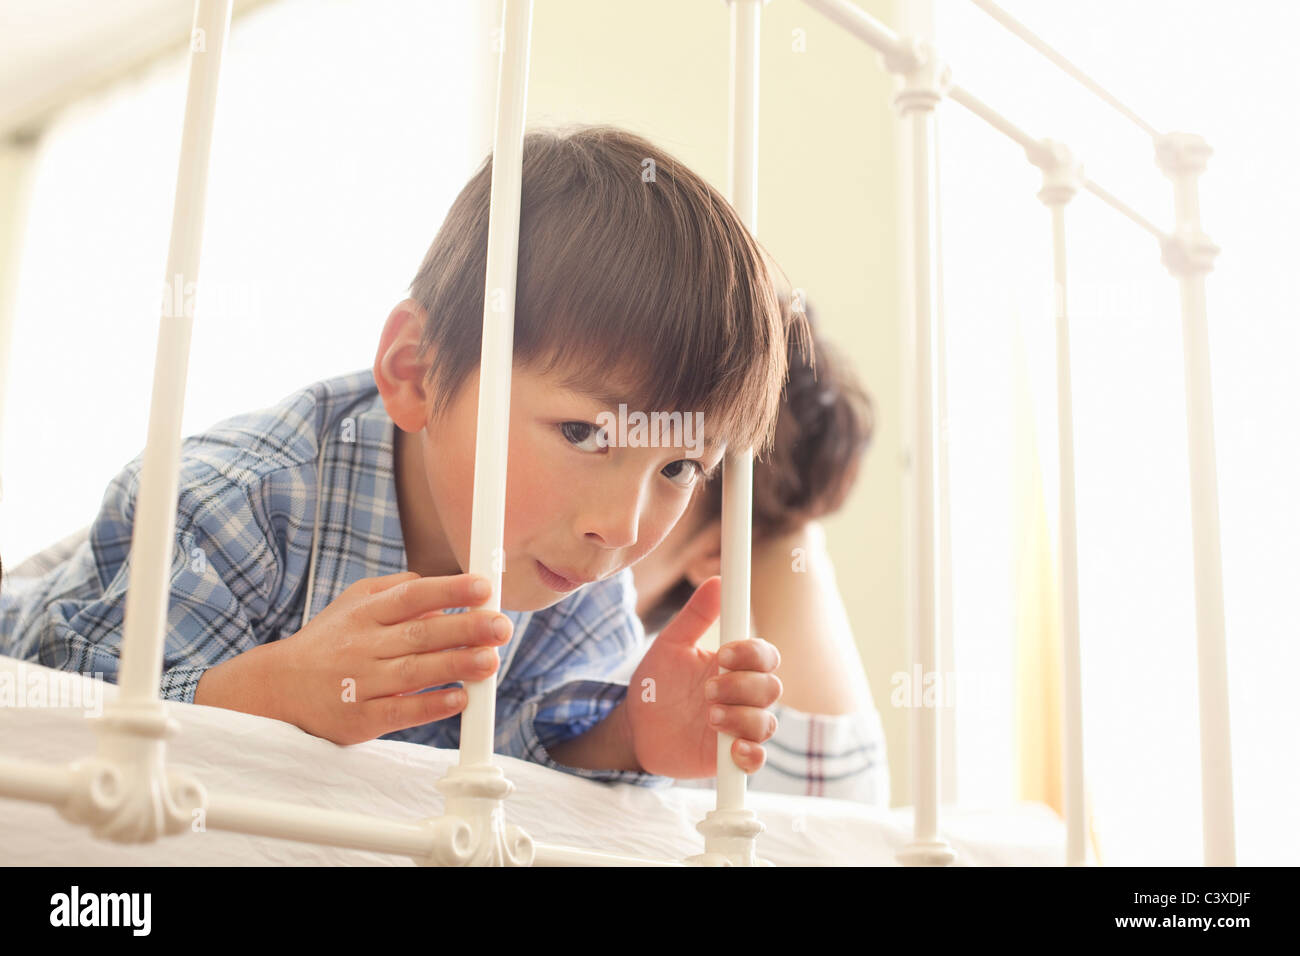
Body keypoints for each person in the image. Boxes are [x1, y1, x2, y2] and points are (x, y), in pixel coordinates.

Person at [0, 123, 812, 788]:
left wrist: (633, 734)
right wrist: (272, 691)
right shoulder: (242, 500)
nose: (620, 526)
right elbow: (57, 701)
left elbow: (530, 748)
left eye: (677, 468)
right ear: (414, 372)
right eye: (584, 434)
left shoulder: (577, 580)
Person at [627, 305, 890, 804]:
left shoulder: (686, 720)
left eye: (675, 469)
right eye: (583, 432)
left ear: (721, 550)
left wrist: (786, 527)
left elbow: (843, 799)